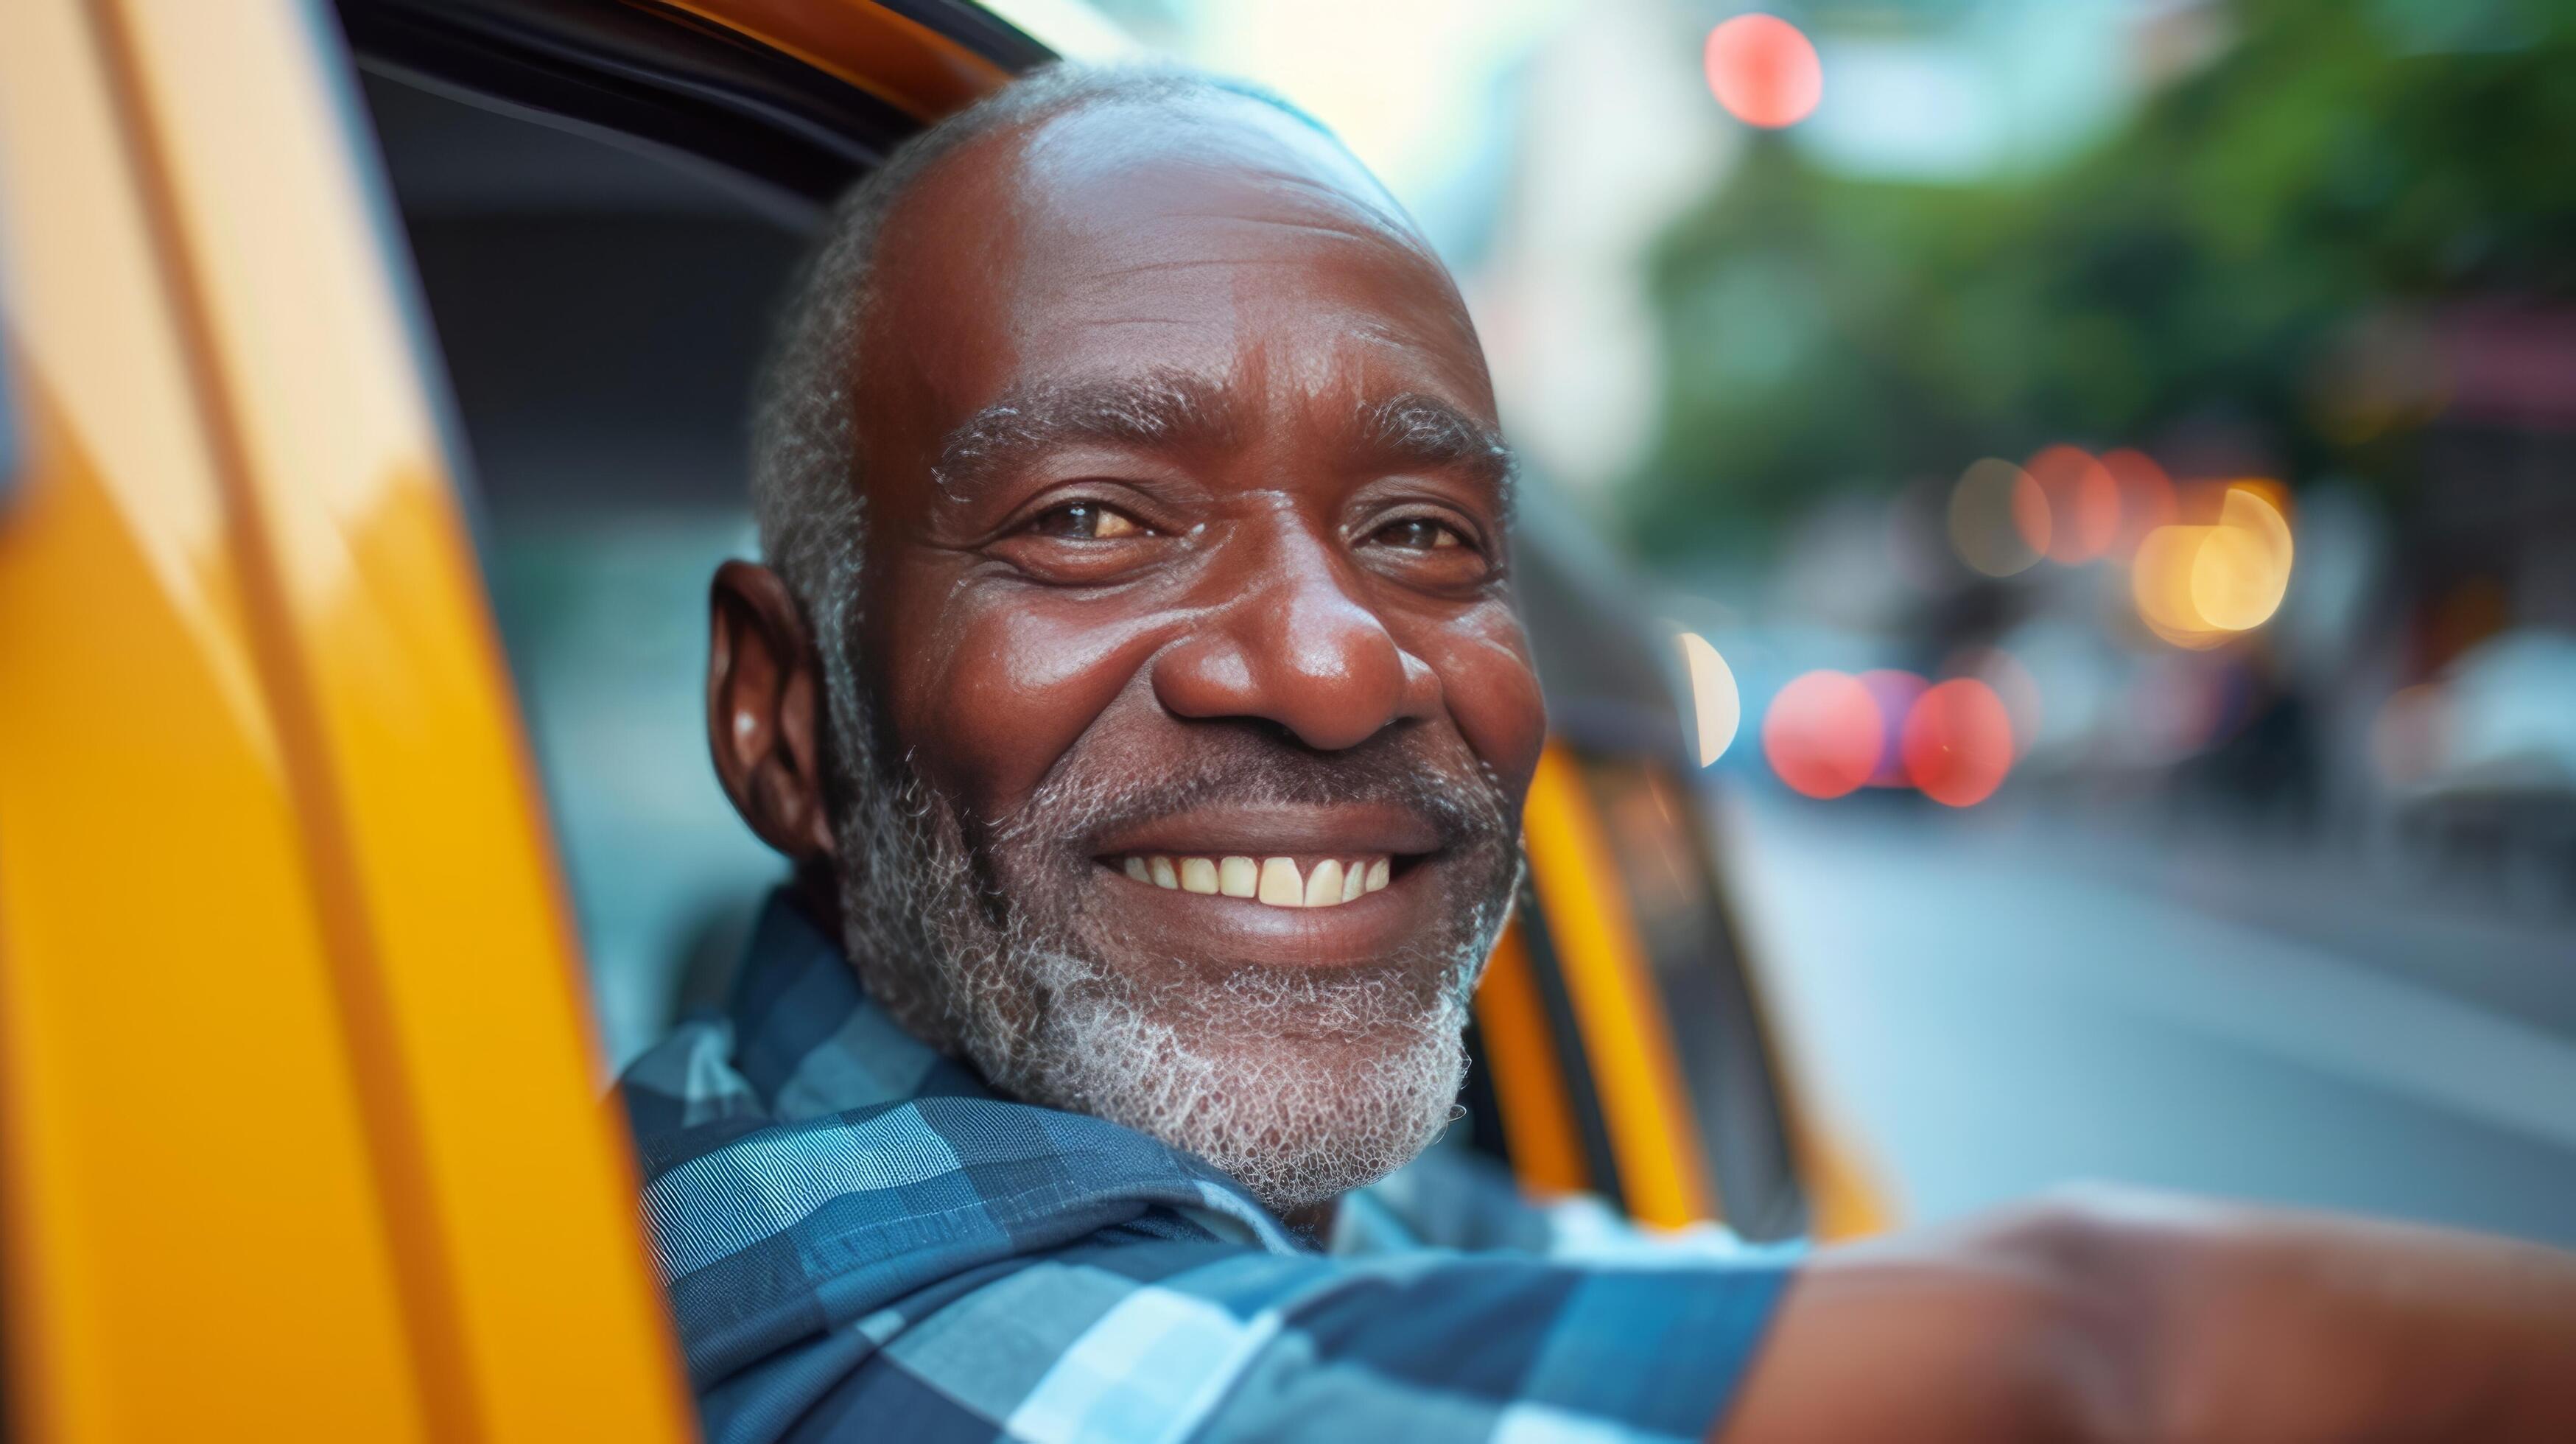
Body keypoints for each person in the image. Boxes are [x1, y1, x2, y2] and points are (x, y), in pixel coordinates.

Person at [618, 63, 2576, 1442]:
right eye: (1093, 521)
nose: (1328, 667)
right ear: (784, 720)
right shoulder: (827, 1320)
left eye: (1419, 537)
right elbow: (2098, 1373)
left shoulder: (1308, 1206)